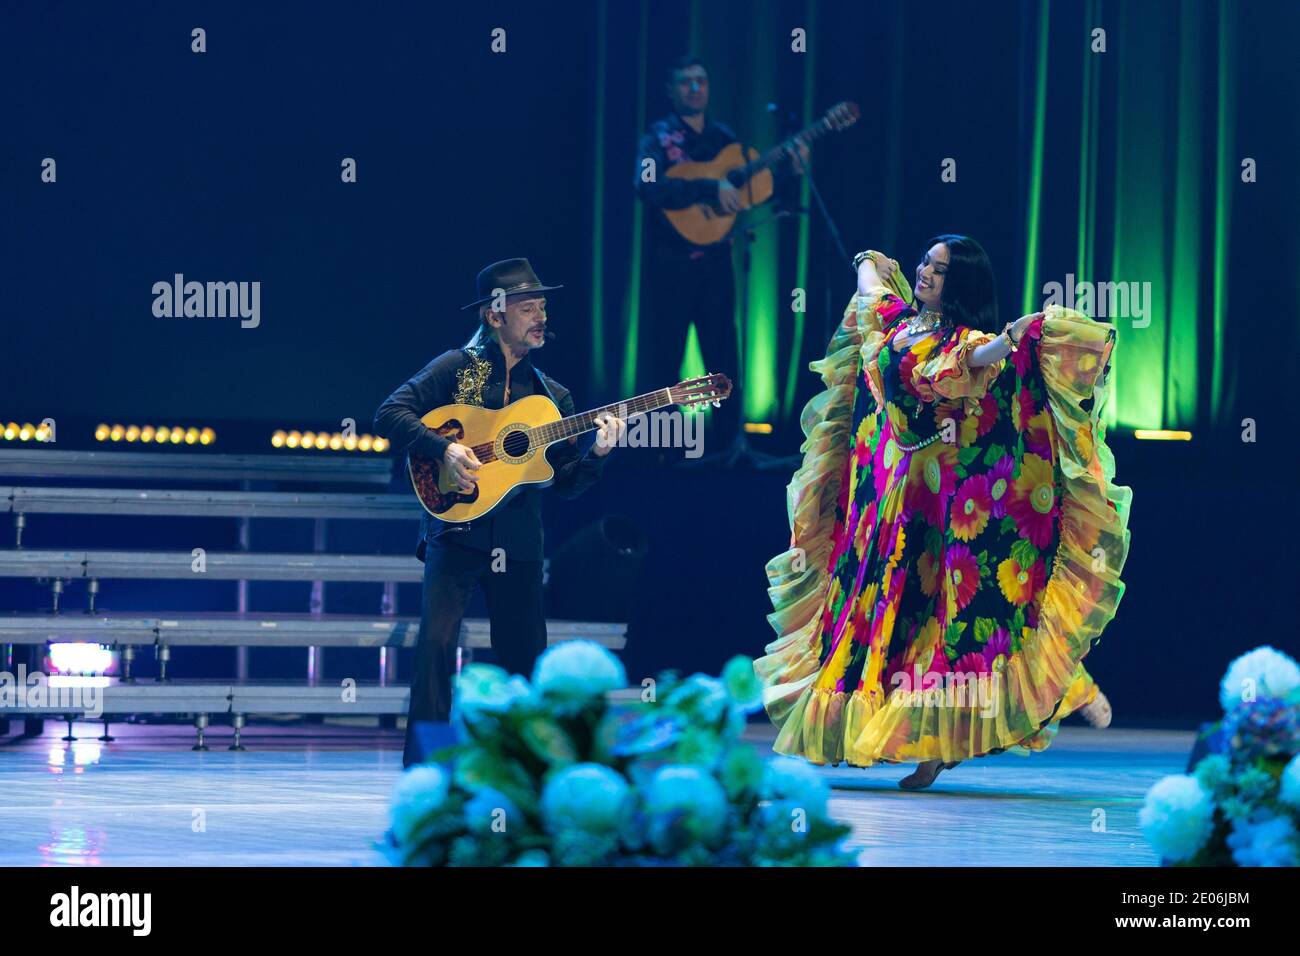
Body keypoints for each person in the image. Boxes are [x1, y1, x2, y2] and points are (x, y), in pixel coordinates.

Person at [756, 235, 1132, 789]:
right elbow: (871, 295)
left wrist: (1011, 338)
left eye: (938, 268)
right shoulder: (900, 322)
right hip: (885, 489)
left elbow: (979, 358)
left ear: (960, 282)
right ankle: (890, 729)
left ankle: (953, 735)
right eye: (925, 264)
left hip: (934, 499)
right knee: (879, 609)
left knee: (945, 614)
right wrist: (868, 260)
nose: (925, 273)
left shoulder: (962, 343)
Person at [374, 258, 625, 768]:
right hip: (455, 529)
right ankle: (425, 770)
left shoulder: (553, 398)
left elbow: (567, 484)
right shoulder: (455, 370)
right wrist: (443, 449)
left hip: (519, 543)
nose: (540, 316)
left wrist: (598, 454)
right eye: (527, 307)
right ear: (494, 316)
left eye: (542, 306)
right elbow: (389, 414)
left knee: (526, 660)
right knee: (436, 649)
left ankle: (527, 768)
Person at [634, 55, 806, 451]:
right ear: (671, 90)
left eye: (701, 81)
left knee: (723, 355)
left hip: (716, 264)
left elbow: (751, 193)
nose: (695, 88)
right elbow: (648, 187)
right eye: (686, 82)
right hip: (671, 265)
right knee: (666, 360)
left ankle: (730, 446)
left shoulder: (724, 139)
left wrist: (789, 172)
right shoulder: (657, 139)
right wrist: (709, 188)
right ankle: (665, 451)